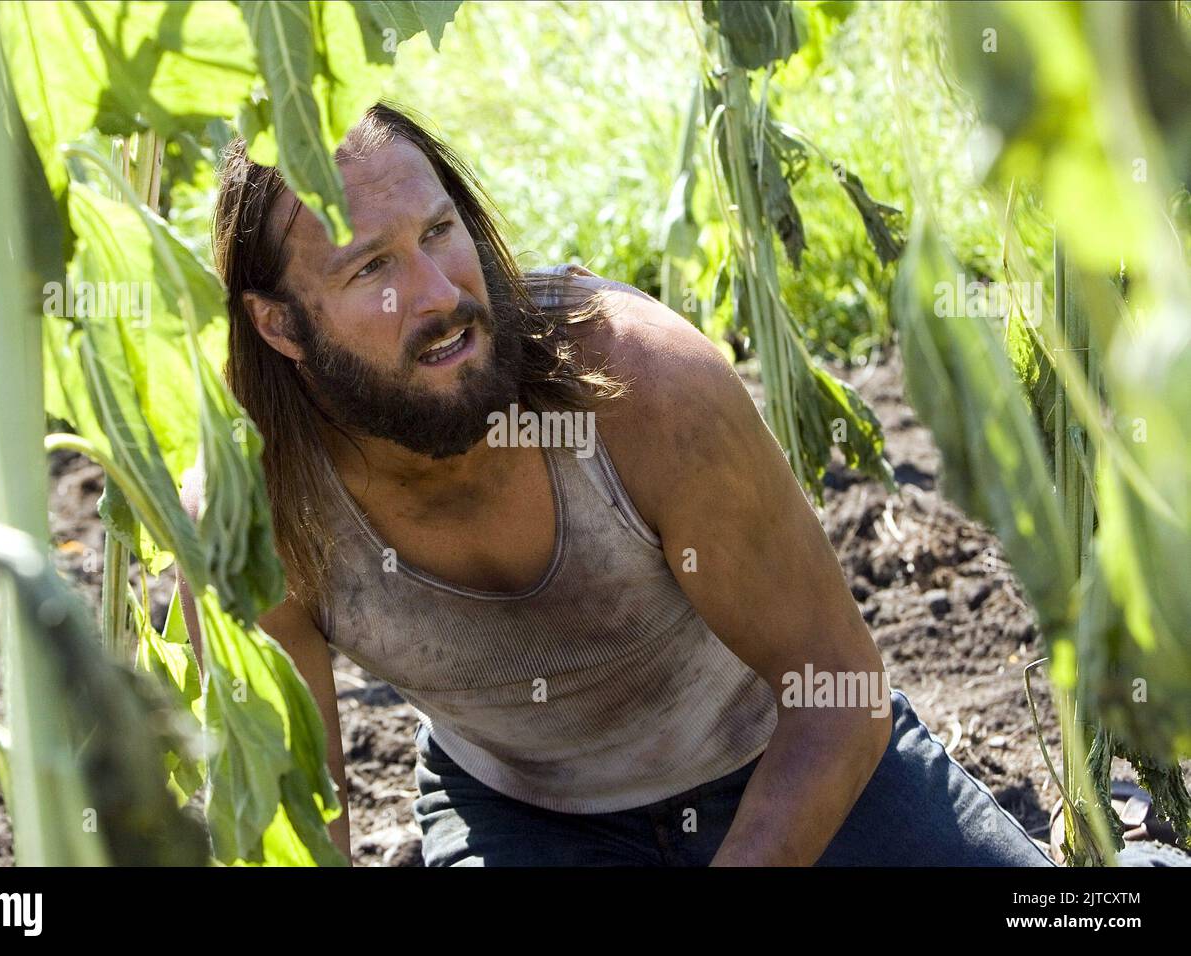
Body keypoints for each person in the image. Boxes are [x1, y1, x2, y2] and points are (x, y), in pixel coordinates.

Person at [177, 101, 1180, 867]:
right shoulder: (254, 501)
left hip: (794, 759)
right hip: (527, 817)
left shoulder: (640, 384)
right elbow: (289, 814)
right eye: (370, 270)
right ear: (276, 323)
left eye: (441, 232)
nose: (443, 296)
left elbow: (836, 691)